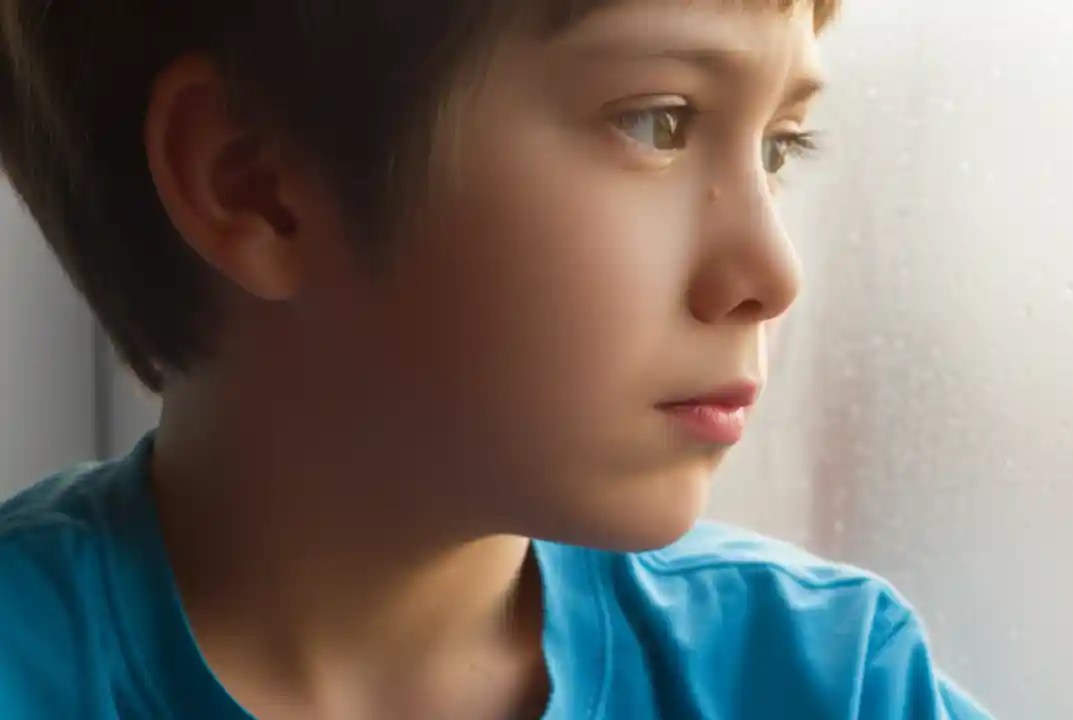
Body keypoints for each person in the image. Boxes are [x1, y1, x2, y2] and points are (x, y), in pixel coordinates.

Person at [0, 1, 993, 717]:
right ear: (253, 183)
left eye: (779, 148)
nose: (771, 274)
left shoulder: (826, 681)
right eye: (660, 122)